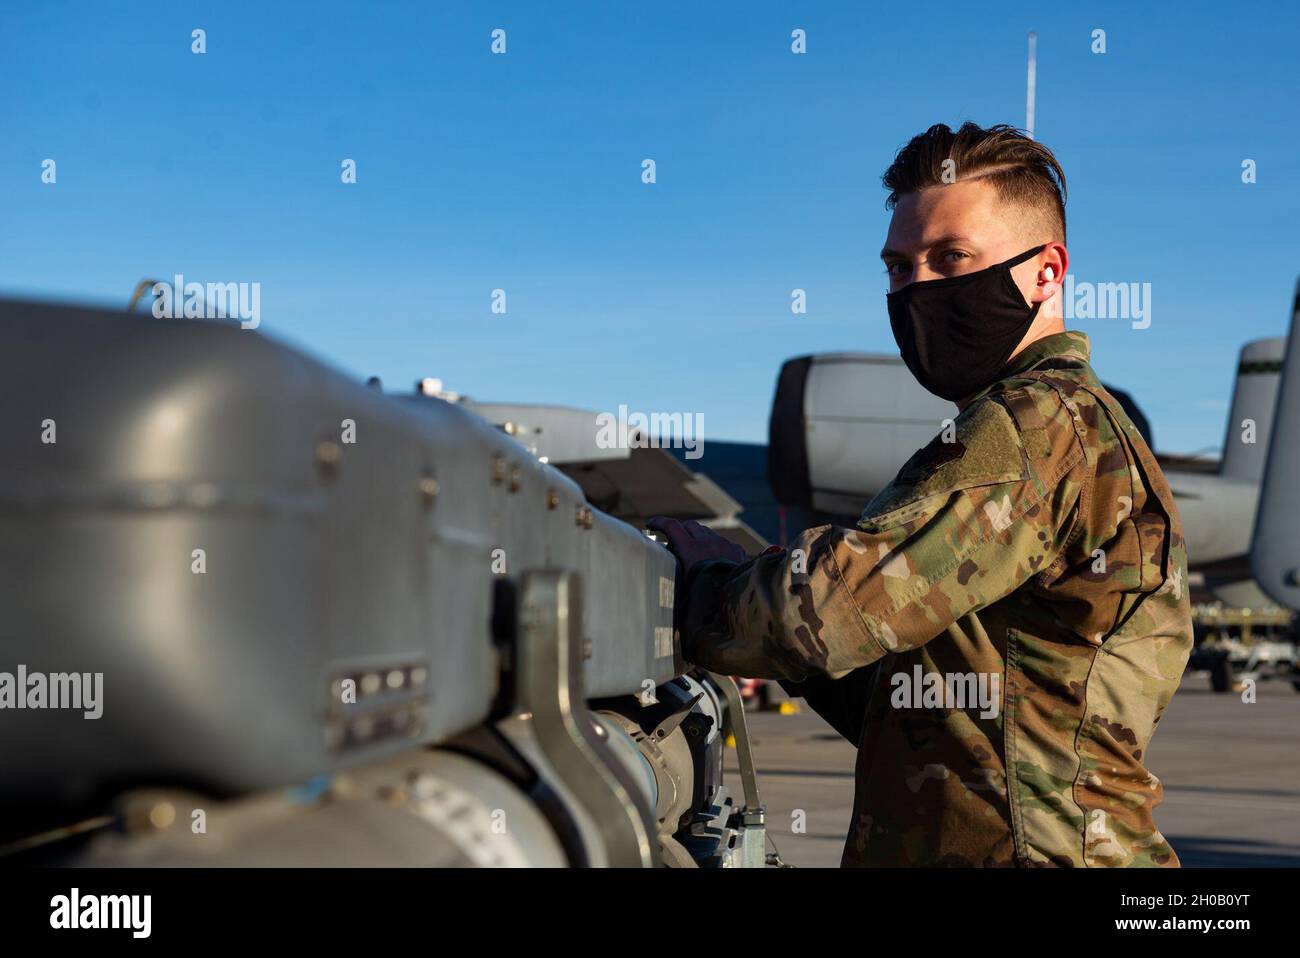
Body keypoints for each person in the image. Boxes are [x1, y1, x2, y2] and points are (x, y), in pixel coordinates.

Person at [649, 122, 1193, 868]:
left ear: (1047, 270)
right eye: (900, 268)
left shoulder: (1032, 426)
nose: (920, 288)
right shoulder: (1059, 423)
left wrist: (696, 584)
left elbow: (829, 618)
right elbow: (919, 695)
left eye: (952, 257)